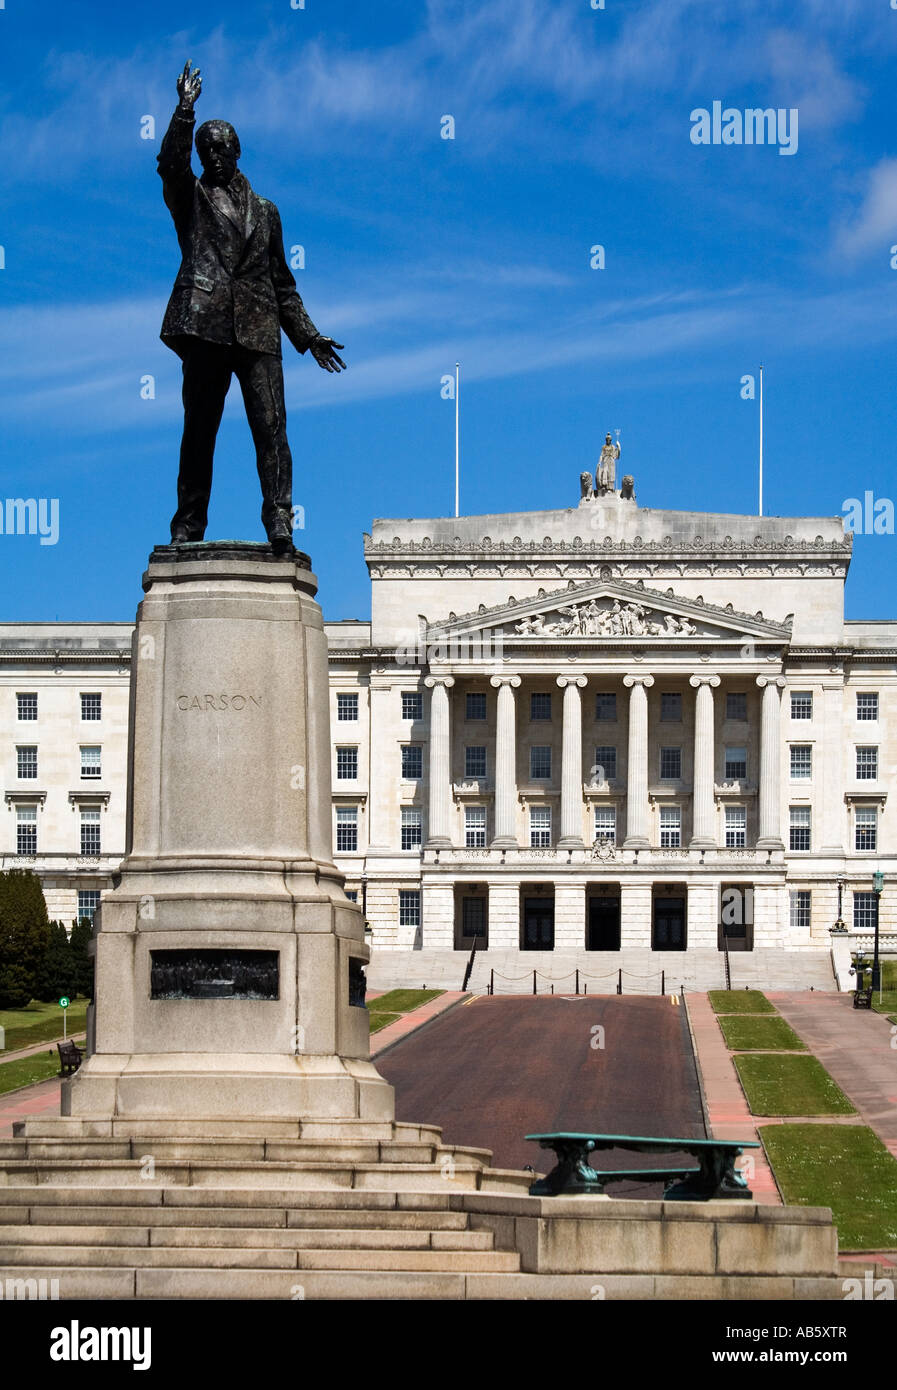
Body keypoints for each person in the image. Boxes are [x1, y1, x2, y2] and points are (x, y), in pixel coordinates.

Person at [157, 61, 346, 550]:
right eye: (206, 148)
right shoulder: (191, 198)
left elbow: (282, 282)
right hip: (205, 327)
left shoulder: (266, 212)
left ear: (238, 151)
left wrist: (308, 334)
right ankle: (188, 525)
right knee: (200, 431)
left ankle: (280, 520)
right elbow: (170, 165)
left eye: (222, 146)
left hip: (260, 330)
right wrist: (184, 111)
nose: (213, 154)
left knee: (273, 429)